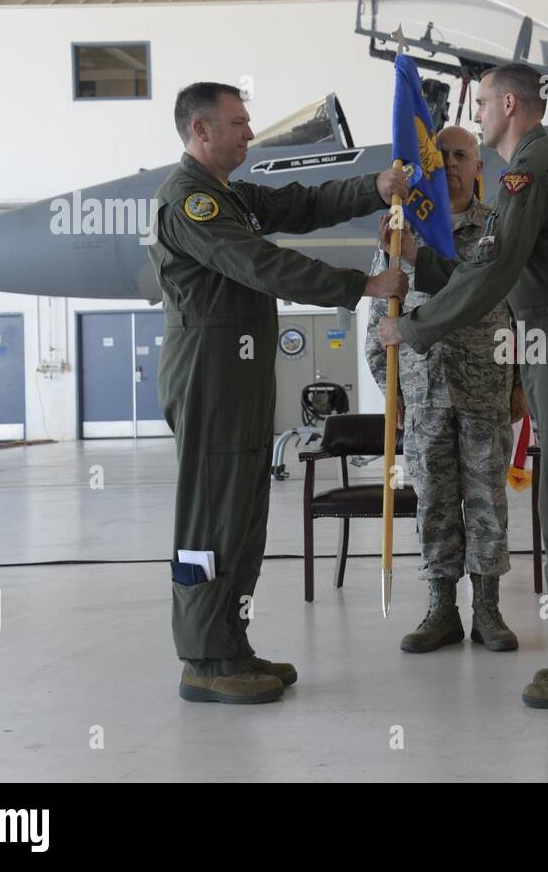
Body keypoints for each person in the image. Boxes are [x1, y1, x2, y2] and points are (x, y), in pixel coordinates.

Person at [377, 64, 548, 709]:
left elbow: (492, 274)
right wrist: (419, 264)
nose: (480, 112)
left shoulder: (530, 169)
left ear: (510, 103)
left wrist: (413, 330)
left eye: (484, 101)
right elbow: (480, 265)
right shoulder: (534, 166)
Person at [150, 81, 407, 704]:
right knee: (210, 519)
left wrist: (372, 188)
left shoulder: (228, 195)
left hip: (236, 379)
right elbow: (260, 264)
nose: (247, 131)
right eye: (236, 122)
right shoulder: (191, 202)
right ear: (200, 131)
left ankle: (231, 644)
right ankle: (204, 658)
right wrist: (363, 286)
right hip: (208, 379)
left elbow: (299, 205)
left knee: (243, 517)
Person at [364, 125, 528, 654]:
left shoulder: (499, 230)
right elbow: (376, 323)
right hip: (423, 393)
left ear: (481, 167)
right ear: (429, 169)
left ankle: (487, 609)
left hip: (487, 392)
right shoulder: (401, 234)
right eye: (444, 157)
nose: (453, 165)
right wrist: (392, 396)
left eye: (464, 155)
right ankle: (441, 609)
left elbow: (525, 312)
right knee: (432, 501)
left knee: (487, 500)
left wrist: (522, 383)